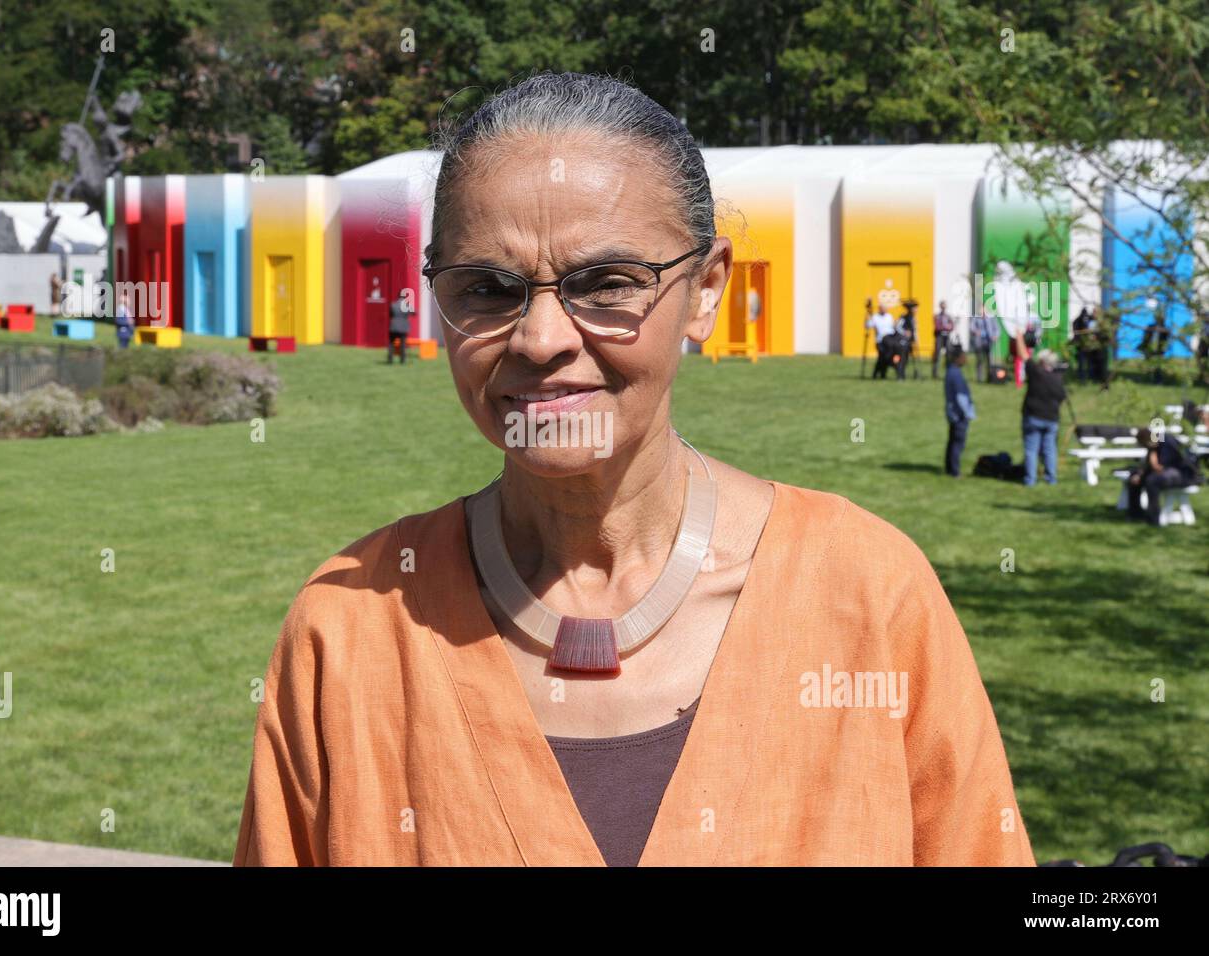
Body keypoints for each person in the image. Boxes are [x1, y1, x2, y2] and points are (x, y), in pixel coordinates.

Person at [233, 72, 1034, 867]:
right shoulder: (349, 629)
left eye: (607, 282)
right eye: (486, 288)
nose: (540, 338)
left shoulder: (866, 595)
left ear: (706, 291)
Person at [1126, 427, 1199, 525]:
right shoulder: (1154, 442)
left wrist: (1151, 455)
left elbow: (1159, 467)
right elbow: (1149, 465)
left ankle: (1153, 517)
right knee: (1134, 476)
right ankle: (1135, 513)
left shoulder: (1166, 441)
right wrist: (1139, 474)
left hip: (1183, 474)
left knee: (1152, 481)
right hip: (1168, 471)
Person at [1021, 349, 1067, 486]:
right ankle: (1051, 478)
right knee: (1050, 449)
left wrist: (1018, 335)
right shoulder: (1057, 379)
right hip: (1051, 418)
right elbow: (1061, 397)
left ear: (1041, 361)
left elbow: (1025, 357)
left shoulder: (1036, 374)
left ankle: (1030, 479)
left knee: (1031, 450)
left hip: (1034, 417)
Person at [944, 345, 975, 477]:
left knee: (952, 441)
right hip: (959, 414)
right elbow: (961, 397)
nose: (966, 359)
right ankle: (955, 471)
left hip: (952, 413)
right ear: (958, 358)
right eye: (964, 356)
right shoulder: (956, 374)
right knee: (958, 443)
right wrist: (968, 413)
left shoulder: (950, 371)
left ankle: (949, 467)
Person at [865, 300, 896, 380]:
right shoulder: (875, 317)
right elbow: (868, 325)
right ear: (879, 309)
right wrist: (868, 315)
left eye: (885, 308)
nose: (884, 309)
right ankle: (877, 374)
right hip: (880, 341)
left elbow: (893, 327)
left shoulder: (889, 316)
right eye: (882, 308)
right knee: (882, 357)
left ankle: (881, 374)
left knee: (886, 357)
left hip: (890, 340)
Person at [970, 305, 996, 384]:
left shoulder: (991, 319)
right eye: (981, 311)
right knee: (980, 360)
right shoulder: (976, 318)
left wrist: (995, 335)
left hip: (988, 342)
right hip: (979, 342)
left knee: (989, 361)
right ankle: (979, 378)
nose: (982, 312)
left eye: (984, 310)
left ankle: (990, 377)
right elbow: (971, 327)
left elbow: (997, 329)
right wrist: (975, 331)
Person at [932, 300, 954, 379]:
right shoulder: (937, 316)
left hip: (946, 336)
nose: (943, 307)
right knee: (937, 354)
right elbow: (937, 327)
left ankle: (949, 372)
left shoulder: (948, 316)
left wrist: (948, 327)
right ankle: (935, 373)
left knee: (949, 354)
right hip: (939, 336)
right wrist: (945, 327)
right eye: (942, 306)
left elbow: (952, 326)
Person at [897, 299, 918, 380]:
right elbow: (897, 326)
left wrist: (915, 338)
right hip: (904, 341)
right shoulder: (904, 317)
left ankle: (904, 375)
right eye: (915, 308)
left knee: (907, 359)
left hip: (910, 341)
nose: (916, 310)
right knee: (902, 358)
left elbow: (914, 329)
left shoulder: (913, 318)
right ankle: (900, 375)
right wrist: (904, 332)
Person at [1071, 306, 1093, 382]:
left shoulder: (1089, 319)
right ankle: (1082, 377)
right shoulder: (1078, 320)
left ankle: (1089, 376)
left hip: (1089, 344)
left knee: (1089, 362)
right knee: (1081, 362)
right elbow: (1075, 331)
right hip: (1081, 344)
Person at [388, 295, 411, 364]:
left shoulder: (393, 305)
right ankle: (402, 360)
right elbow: (411, 313)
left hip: (394, 327)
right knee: (403, 345)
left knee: (391, 344)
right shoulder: (406, 306)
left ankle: (390, 360)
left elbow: (391, 314)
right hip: (403, 328)